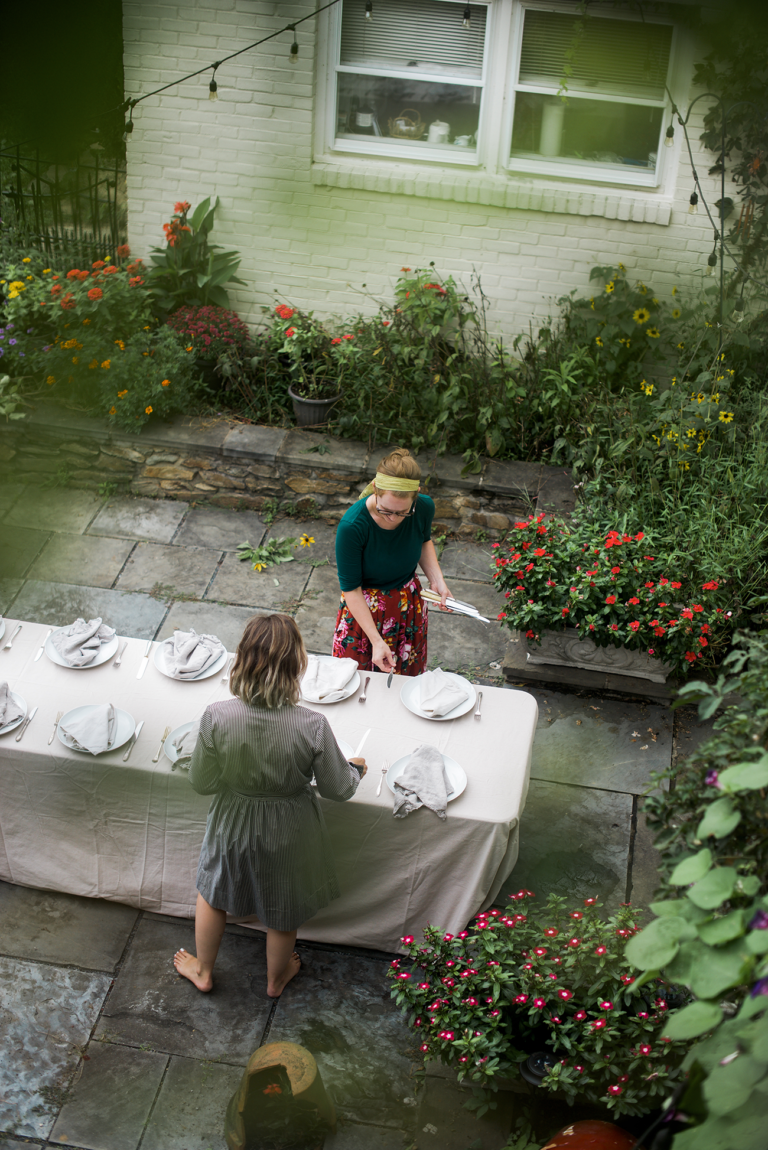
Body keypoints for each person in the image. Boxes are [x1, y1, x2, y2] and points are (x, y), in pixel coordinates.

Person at [173, 614, 367, 998]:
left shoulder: (217, 715)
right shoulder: (312, 724)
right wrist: (355, 769)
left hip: (234, 819)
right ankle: (276, 980)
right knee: (283, 908)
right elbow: (338, 789)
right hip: (289, 828)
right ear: (297, 667)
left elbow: (200, 782)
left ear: (242, 659)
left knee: (213, 891)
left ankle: (204, 969)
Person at [332, 447, 452, 676]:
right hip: (364, 610)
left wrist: (438, 580)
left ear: (415, 495)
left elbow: (423, 541)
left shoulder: (424, 507)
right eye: (385, 510)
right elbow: (351, 589)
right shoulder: (352, 526)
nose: (393, 518)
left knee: (405, 682)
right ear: (375, 489)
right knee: (355, 683)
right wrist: (376, 641)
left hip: (408, 604)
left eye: (402, 512)